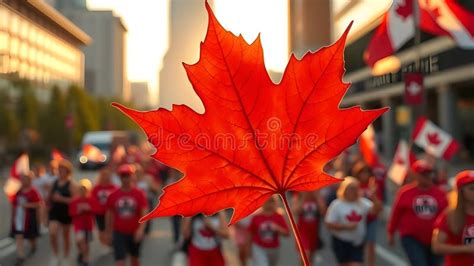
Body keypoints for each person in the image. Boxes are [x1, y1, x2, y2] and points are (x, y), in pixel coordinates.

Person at [387, 160, 448, 266]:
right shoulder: (405, 192)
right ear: (415, 175)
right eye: (423, 174)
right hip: (411, 238)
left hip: (435, 239)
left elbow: (447, 216)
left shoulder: (441, 193)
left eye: (429, 173)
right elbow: (396, 214)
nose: (427, 176)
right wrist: (391, 232)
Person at [325, 176, 382, 266]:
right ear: (345, 189)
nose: (355, 191)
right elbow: (329, 224)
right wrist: (345, 227)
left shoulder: (362, 203)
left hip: (357, 243)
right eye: (352, 189)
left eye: (356, 188)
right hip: (341, 242)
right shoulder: (336, 204)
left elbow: (377, 210)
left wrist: (374, 196)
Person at [106, 164, 148, 266]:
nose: (126, 179)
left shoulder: (139, 194)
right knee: (120, 261)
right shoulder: (113, 195)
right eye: (123, 176)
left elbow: (144, 213)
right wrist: (108, 232)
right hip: (119, 232)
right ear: (120, 177)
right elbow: (109, 214)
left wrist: (141, 230)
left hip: (134, 231)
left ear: (132, 176)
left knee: (134, 259)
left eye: (128, 175)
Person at [432, 170, 474, 265]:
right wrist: (466, 249)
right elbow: (437, 246)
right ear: (461, 192)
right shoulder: (450, 216)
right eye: (472, 188)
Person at [351, 162, 382, 266]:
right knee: (356, 245)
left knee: (371, 245)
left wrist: (373, 195)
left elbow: (379, 205)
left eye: (367, 172)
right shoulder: (354, 185)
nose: (364, 175)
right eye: (362, 173)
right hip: (357, 220)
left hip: (371, 219)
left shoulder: (373, 186)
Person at [10, 172, 42, 266]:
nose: (23, 181)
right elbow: (14, 203)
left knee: (31, 237)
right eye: (22, 179)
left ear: (29, 180)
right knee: (19, 236)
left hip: (29, 218)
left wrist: (28, 205)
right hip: (19, 218)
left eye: (25, 179)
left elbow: (38, 204)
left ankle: (33, 246)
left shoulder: (33, 191)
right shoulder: (18, 191)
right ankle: (21, 256)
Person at [248, 196, 289, 266]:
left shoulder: (278, 216)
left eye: (271, 201)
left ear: (275, 203)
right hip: (259, 247)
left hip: (273, 248)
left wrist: (277, 228)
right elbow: (250, 233)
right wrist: (248, 248)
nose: (269, 204)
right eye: (266, 201)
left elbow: (287, 233)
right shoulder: (256, 217)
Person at [48, 159, 75, 264]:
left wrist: (62, 199)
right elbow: (49, 198)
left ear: (68, 172)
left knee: (66, 236)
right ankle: (55, 255)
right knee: (53, 233)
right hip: (54, 212)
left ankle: (66, 256)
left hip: (66, 213)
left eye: (63, 170)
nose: (60, 172)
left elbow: (75, 200)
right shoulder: (53, 183)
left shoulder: (71, 184)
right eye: (59, 170)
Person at [293, 191, 327, 264]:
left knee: (311, 257)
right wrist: (303, 197)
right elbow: (296, 211)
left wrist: (317, 197)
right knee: (305, 254)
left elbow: (323, 211)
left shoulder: (318, 198)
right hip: (302, 231)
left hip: (314, 231)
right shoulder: (298, 197)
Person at [69, 179, 95, 266]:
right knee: (79, 241)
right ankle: (81, 253)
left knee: (86, 242)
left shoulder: (90, 200)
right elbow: (71, 212)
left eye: (84, 190)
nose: (83, 192)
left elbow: (95, 210)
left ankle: (86, 258)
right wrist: (78, 212)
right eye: (81, 190)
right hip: (79, 224)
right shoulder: (75, 201)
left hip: (88, 224)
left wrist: (88, 210)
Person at [91, 167, 117, 246]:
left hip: (110, 213)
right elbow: (93, 200)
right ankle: (105, 244)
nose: (106, 177)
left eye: (107, 175)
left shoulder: (113, 187)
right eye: (104, 175)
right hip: (100, 213)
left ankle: (110, 243)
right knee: (101, 230)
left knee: (110, 229)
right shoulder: (96, 188)